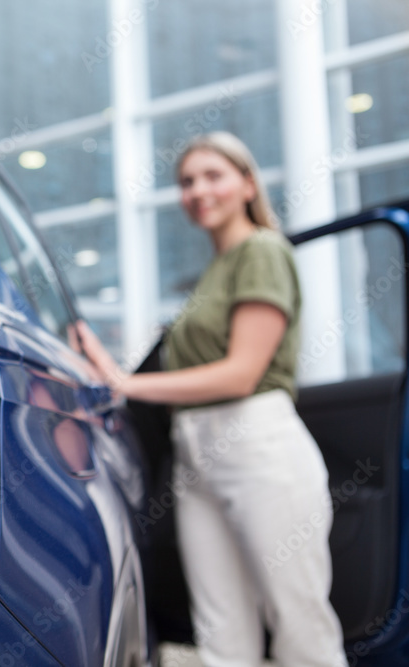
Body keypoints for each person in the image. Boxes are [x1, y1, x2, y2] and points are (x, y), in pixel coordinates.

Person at [75, 132, 347, 666]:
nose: (198, 190)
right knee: (221, 630)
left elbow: (241, 374)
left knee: (298, 623)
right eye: (186, 181)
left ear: (248, 183)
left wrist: (125, 383)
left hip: (257, 445)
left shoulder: (262, 251)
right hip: (196, 451)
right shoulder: (213, 273)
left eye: (213, 175)